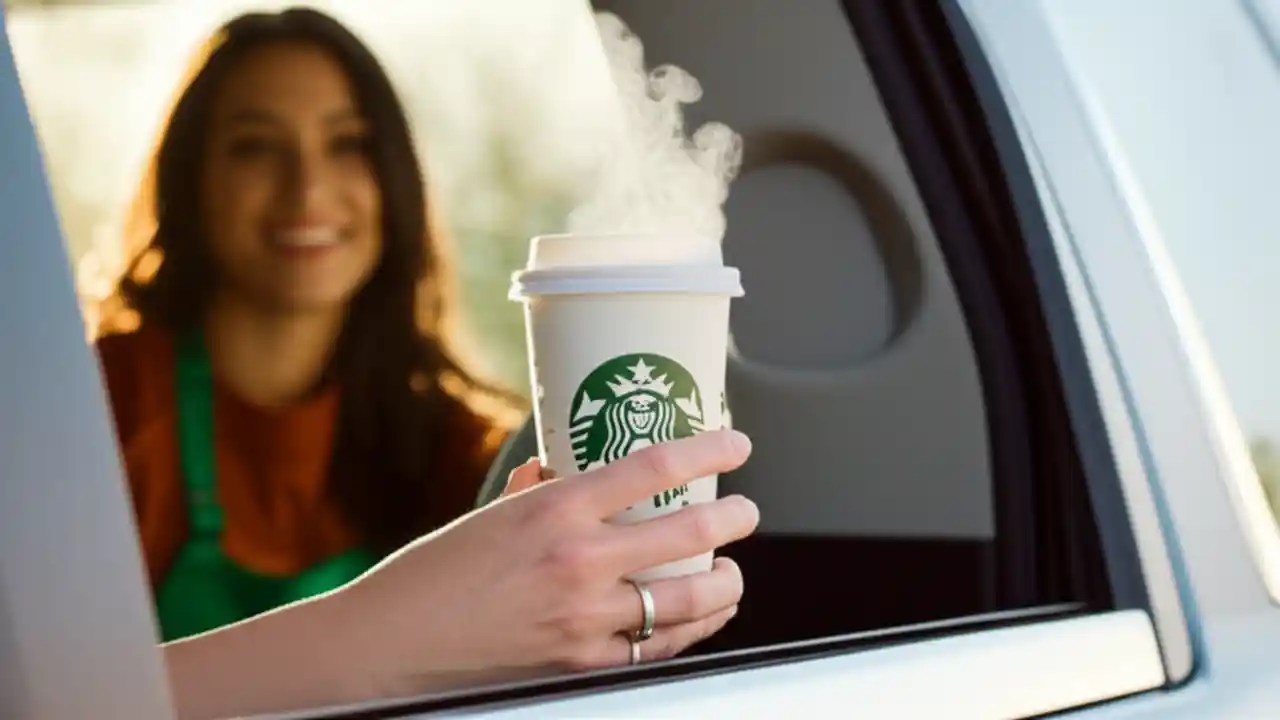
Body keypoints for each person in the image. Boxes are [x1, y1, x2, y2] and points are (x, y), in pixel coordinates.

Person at [90, 8, 759, 719]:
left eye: (348, 144)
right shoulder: (92, 412)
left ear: (393, 181)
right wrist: (395, 641)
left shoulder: (468, 447)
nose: (308, 190)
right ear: (189, 179)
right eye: (256, 147)